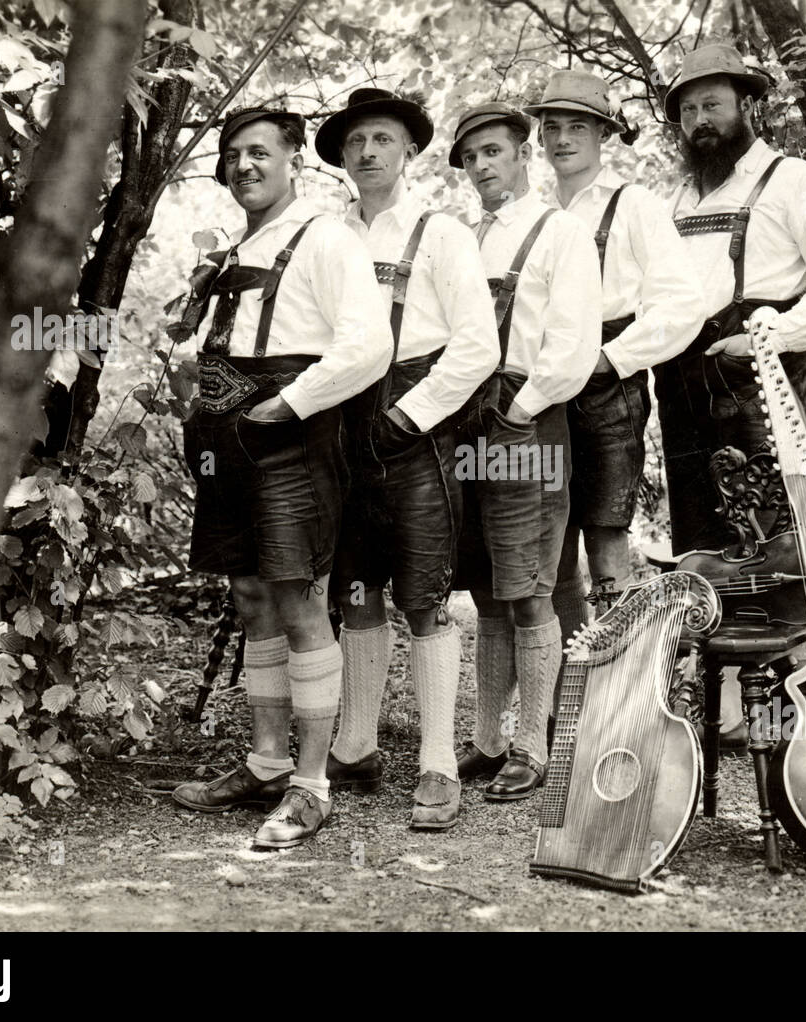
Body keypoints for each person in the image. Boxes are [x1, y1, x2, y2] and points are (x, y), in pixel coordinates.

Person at [170, 105, 393, 849]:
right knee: (251, 594)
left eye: (260, 152)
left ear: (294, 157)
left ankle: (311, 785)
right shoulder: (239, 247)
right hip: (229, 433)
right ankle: (265, 764)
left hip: (291, 432)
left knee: (302, 602)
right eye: (232, 154)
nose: (244, 166)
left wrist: (285, 408)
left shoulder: (327, 236)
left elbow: (368, 347)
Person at [656, 43, 806, 744]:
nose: (699, 120)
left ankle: (793, 710)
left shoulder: (791, 179)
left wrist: (769, 338)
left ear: (749, 105)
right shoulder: (679, 197)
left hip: (761, 386)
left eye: (712, 103)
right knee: (700, 543)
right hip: (684, 386)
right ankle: (722, 707)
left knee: (773, 544)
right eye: (687, 109)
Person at [313, 88, 500, 830]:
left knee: (423, 596)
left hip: (416, 427)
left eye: (381, 139)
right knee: (355, 591)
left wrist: (410, 416)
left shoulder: (442, 233)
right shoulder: (326, 235)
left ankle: (437, 762)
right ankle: (355, 745)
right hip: (340, 427)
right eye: (355, 141)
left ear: (407, 150)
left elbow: (478, 345)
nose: (367, 153)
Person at [524, 68, 704, 676]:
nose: (563, 138)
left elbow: (682, 303)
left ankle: (622, 689)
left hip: (606, 384)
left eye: (578, 126)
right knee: (547, 541)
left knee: (604, 533)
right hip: (538, 382)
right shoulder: (533, 210)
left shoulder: (635, 205)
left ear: (604, 134)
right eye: (552, 127)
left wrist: (609, 360)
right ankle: (570, 688)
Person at [448, 102, 601, 800]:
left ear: (523, 155)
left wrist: (521, 408)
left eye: (495, 152)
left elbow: (574, 343)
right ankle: (486, 738)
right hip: (458, 420)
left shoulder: (559, 232)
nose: (483, 166)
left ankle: (533, 746)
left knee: (529, 587)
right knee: (484, 589)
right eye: (471, 156)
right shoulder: (461, 238)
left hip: (524, 419)